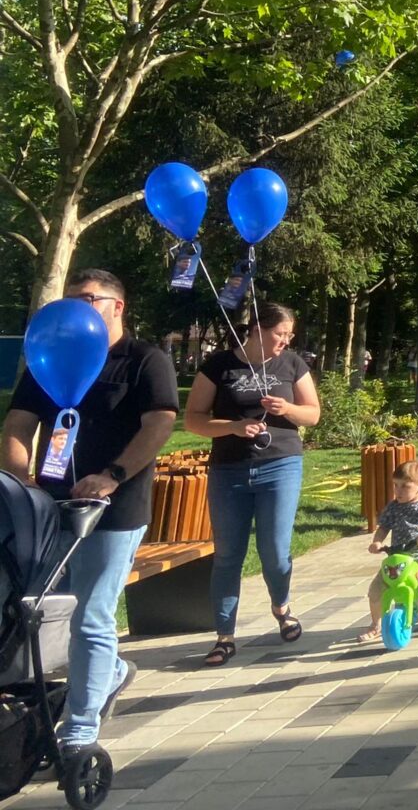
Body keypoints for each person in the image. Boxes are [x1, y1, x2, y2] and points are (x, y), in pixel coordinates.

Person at [3, 269, 178, 751]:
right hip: (49, 509)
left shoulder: (145, 359)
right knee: (44, 611)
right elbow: (17, 426)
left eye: (89, 299)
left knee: (92, 615)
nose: (79, 308)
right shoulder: (49, 356)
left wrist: (113, 476)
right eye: (72, 299)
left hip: (114, 508)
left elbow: (160, 425)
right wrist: (25, 483)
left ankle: (79, 729)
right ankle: (113, 671)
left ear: (117, 306)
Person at [185, 302, 321, 666]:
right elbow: (193, 420)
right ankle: (224, 636)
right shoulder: (218, 366)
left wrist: (286, 410)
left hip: (280, 464)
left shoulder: (292, 364)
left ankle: (282, 606)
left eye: (289, 335)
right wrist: (231, 427)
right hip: (229, 470)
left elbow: (313, 414)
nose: (285, 341)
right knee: (228, 554)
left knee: (274, 550)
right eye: (280, 334)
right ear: (258, 329)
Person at [358, 460, 418, 642]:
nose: (398, 491)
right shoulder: (394, 507)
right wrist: (377, 542)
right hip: (397, 557)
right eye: (395, 485)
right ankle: (375, 625)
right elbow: (383, 527)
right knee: (376, 590)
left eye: (405, 486)